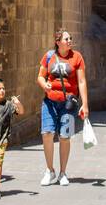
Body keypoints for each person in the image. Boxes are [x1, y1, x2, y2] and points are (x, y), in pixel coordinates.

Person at [37, 27, 89, 186]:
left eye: (70, 38)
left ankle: (62, 172)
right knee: (47, 133)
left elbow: (81, 81)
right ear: (58, 42)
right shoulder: (49, 56)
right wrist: (44, 84)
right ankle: (49, 170)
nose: (69, 41)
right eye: (66, 39)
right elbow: (40, 76)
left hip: (68, 104)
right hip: (50, 102)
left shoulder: (77, 57)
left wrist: (85, 104)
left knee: (64, 137)